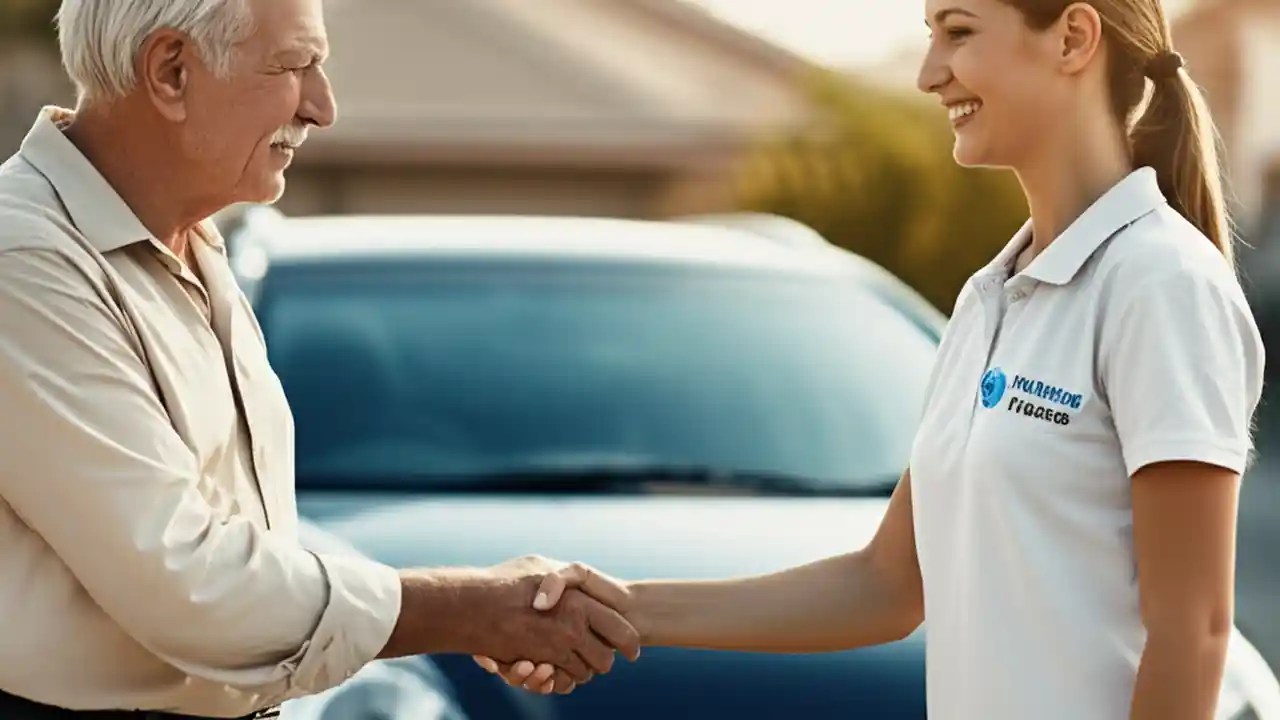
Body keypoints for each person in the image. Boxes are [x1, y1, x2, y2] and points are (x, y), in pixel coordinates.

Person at [478, 1, 1266, 718]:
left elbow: (1193, 631)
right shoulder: (990, 297)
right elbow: (885, 585)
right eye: (929, 36)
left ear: (1073, 37)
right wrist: (623, 606)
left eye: (957, 32)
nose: (929, 73)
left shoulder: (1160, 283)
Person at [0, 1, 638, 718]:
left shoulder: (187, 247)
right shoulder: (24, 260)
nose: (323, 107)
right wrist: (469, 609)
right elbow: (188, 583)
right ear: (171, 71)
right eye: (294, 66)